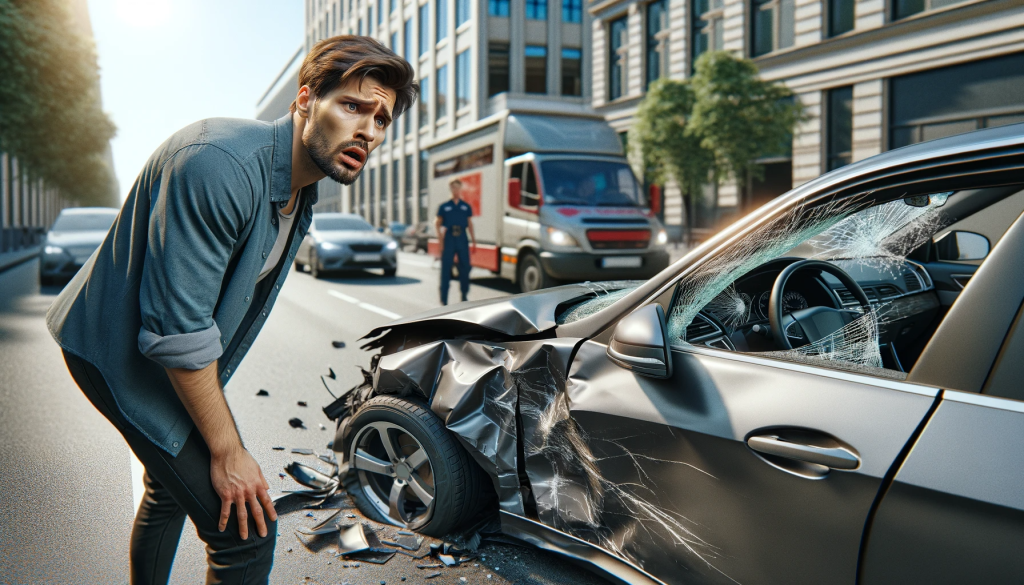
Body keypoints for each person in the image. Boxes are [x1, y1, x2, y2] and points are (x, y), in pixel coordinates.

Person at [46, 36, 417, 584]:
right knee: (244, 532)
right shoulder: (218, 165)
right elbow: (179, 331)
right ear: (305, 100)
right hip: (113, 350)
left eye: (382, 119)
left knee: (168, 493)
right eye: (353, 105)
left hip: (164, 345)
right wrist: (227, 452)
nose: (368, 129)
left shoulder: (300, 191)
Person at [435, 177, 476, 305]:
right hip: (449, 238)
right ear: (450, 189)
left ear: (460, 189)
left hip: (462, 238)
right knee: (446, 269)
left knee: (465, 267)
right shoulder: (444, 206)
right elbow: (437, 223)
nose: (455, 190)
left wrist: (474, 241)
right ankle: (444, 299)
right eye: (453, 187)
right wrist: (441, 242)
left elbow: (469, 224)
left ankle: (464, 294)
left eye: (457, 187)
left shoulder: (465, 206)